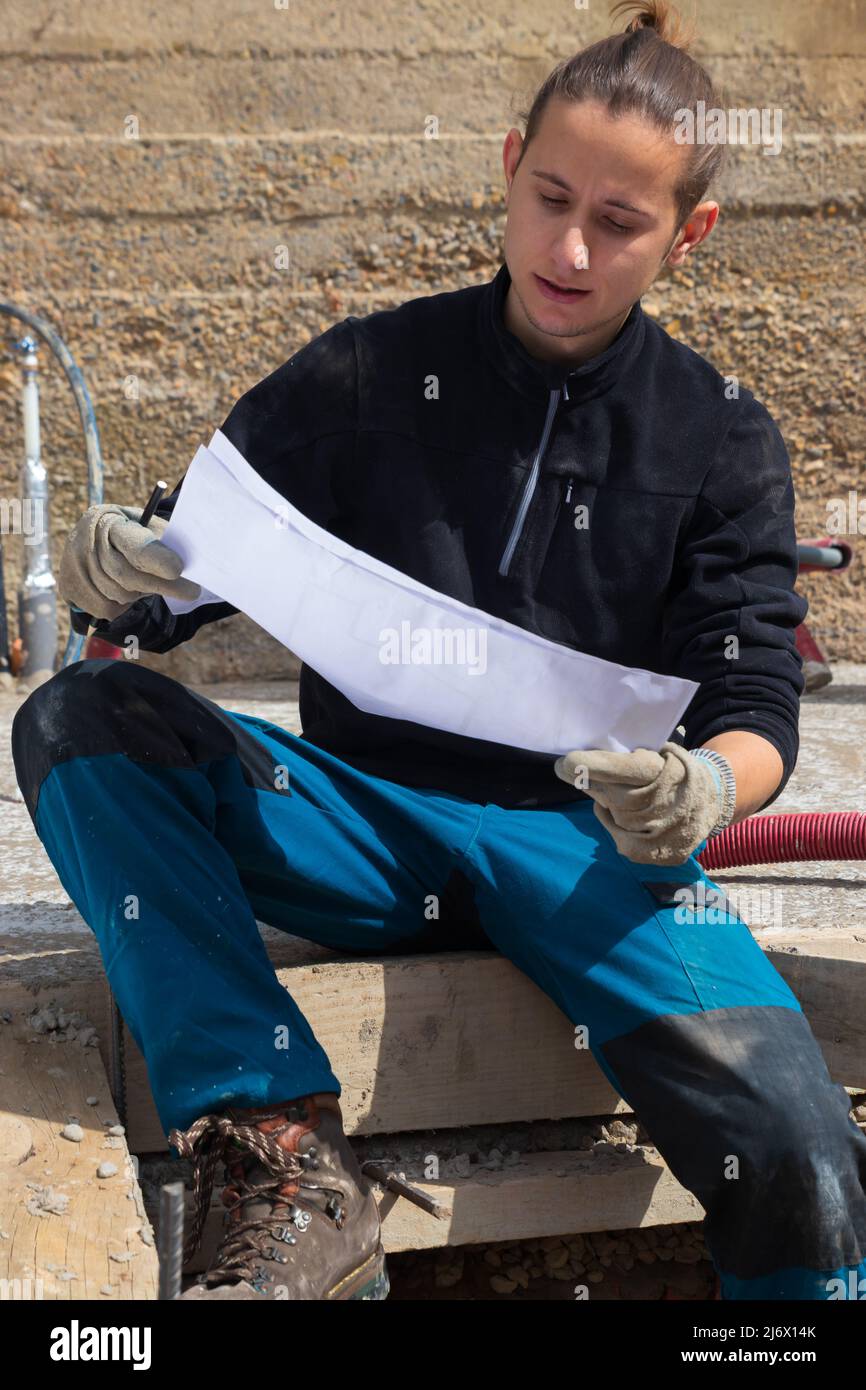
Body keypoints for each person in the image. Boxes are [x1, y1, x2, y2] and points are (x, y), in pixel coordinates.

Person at [11, 0, 866, 1301]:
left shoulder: (717, 438)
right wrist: (129, 569)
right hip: (358, 822)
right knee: (78, 720)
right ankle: (281, 1147)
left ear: (687, 236)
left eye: (619, 222)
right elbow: (197, 567)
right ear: (507, 164)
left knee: (801, 1151)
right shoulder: (367, 373)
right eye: (547, 195)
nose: (568, 245)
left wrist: (703, 788)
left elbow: (753, 702)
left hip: (585, 851)